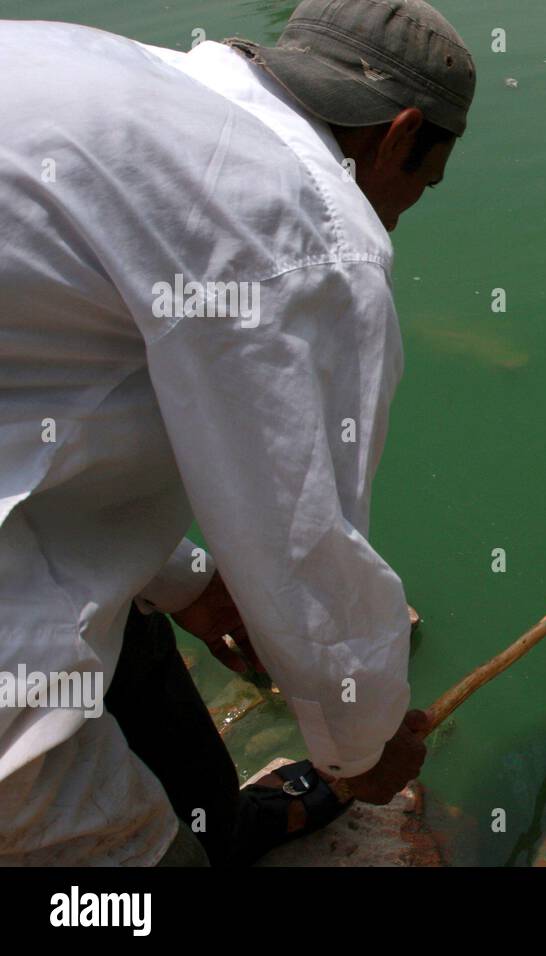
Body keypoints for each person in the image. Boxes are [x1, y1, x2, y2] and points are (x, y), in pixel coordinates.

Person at [0, 0, 476, 865]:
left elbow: (51, 395)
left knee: (139, 652)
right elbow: (305, 545)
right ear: (400, 134)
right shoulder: (307, 225)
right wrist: (362, 750)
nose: (401, 215)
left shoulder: (136, 83)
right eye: (420, 184)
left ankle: (215, 818)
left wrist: (185, 582)